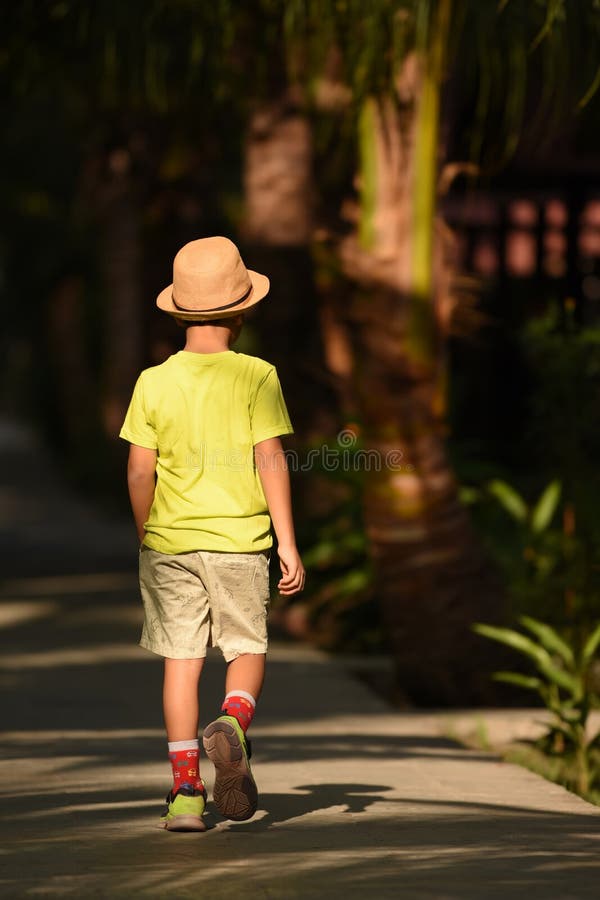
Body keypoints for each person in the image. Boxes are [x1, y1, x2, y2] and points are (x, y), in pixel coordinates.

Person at [119, 236, 305, 832]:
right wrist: (288, 542)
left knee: (181, 662)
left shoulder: (153, 381)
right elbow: (270, 458)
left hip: (169, 544)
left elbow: (138, 469)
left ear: (177, 310)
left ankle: (184, 798)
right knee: (246, 648)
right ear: (241, 309)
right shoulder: (257, 375)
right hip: (240, 543)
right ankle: (231, 722)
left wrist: (147, 532)